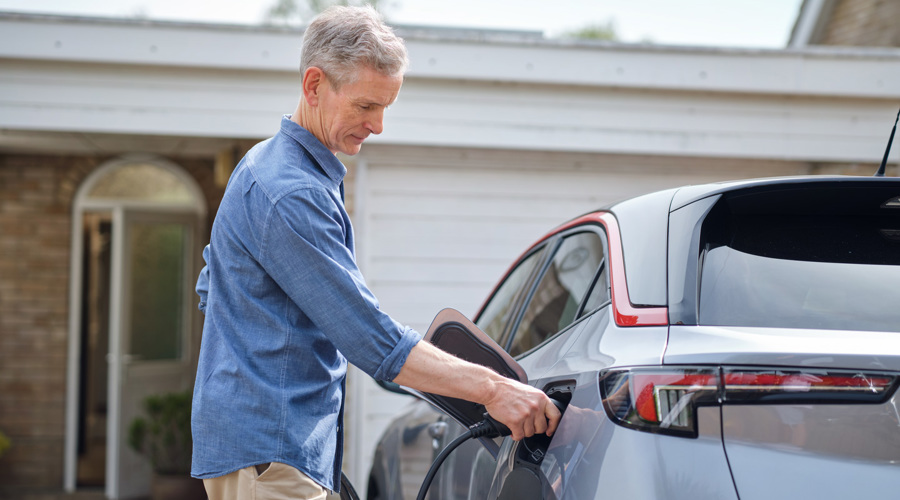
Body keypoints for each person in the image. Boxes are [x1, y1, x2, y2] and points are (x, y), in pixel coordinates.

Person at [190, 6, 560, 499]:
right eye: (366, 106)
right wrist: (494, 389)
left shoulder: (266, 166)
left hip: (264, 450)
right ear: (314, 86)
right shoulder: (290, 192)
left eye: (386, 107)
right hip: (272, 455)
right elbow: (370, 339)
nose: (378, 125)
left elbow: (210, 285)